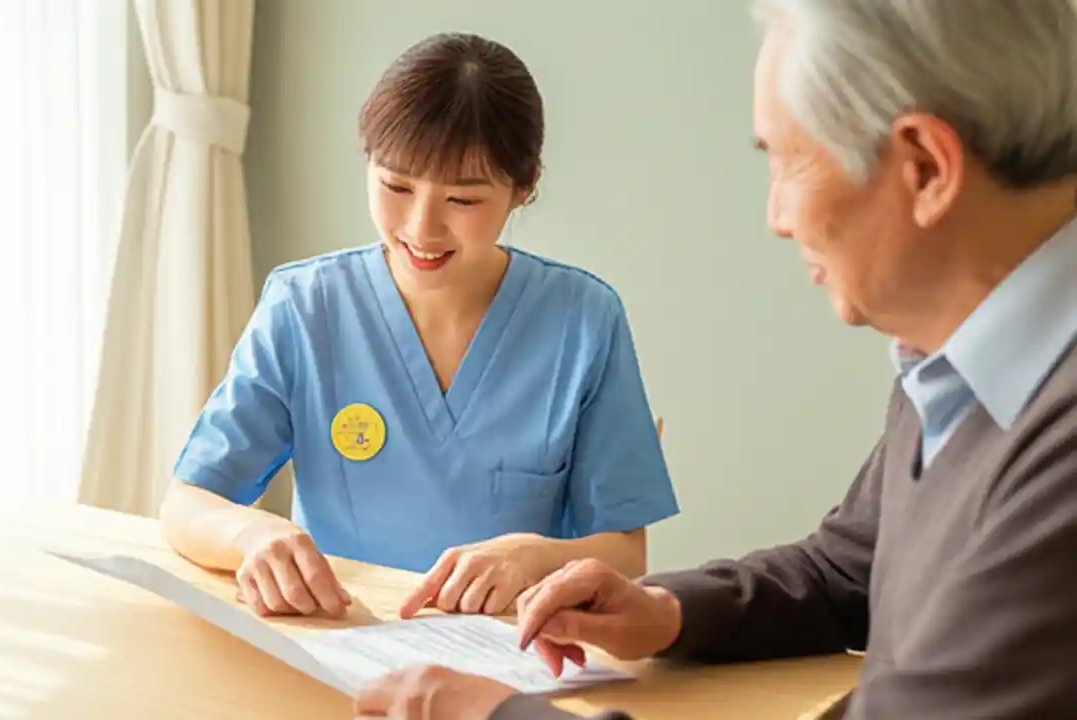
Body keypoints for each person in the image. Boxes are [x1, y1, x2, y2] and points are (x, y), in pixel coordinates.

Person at [353, 1, 1077, 718]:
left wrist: (498, 716)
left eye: (789, 161)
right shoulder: (962, 363)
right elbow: (845, 569)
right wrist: (667, 613)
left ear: (926, 168)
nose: (777, 217)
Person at [160, 32, 678, 621]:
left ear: (523, 188)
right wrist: (253, 536)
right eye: (396, 186)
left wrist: (532, 557)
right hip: (337, 643)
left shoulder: (583, 321)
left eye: (463, 200)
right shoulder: (306, 309)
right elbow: (187, 503)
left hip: (509, 653)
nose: (421, 228)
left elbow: (625, 553)